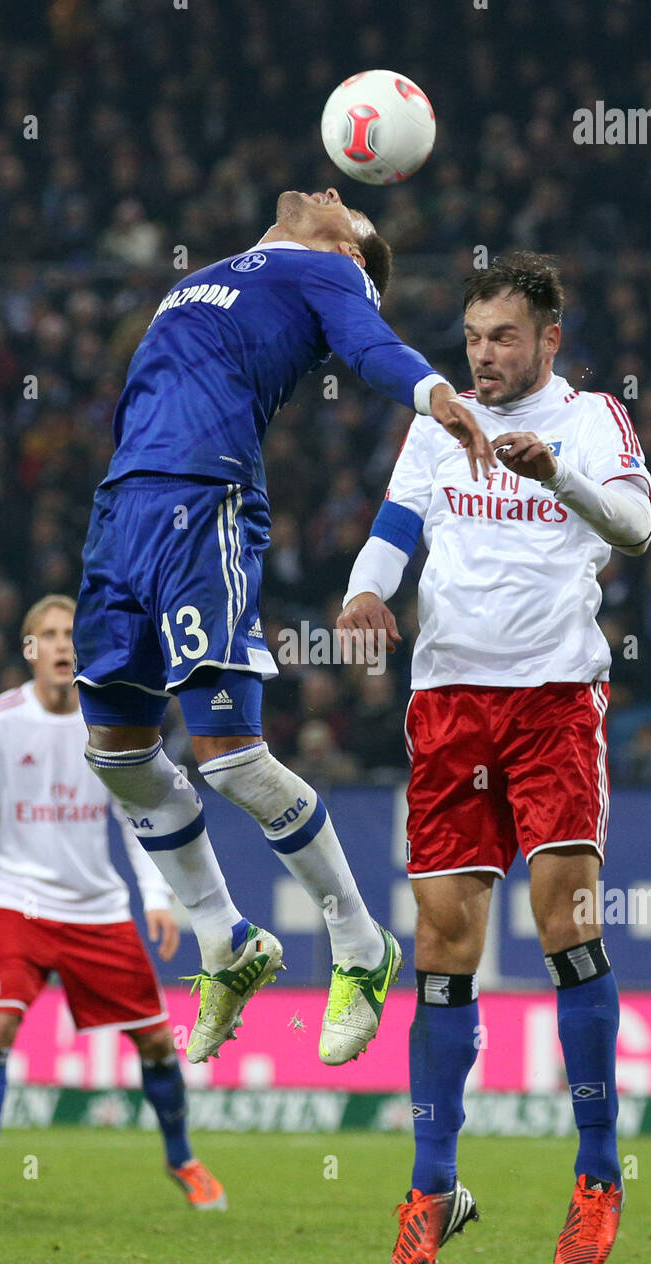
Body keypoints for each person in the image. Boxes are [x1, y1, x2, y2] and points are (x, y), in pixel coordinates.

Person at [72, 186, 496, 1068]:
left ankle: (357, 942)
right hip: (122, 508)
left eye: (351, 210)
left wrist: (433, 394)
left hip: (204, 499)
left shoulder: (327, 275)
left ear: (350, 253)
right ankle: (226, 939)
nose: (332, 189)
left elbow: (373, 348)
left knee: (228, 759)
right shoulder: (233, 268)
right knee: (115, 750)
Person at [338, 252, 651, 1264]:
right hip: (449, 703)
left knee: (567, 920)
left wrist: (551, 474)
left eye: (503, 337)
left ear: (547, 340)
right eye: (473, 337)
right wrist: (362, 592)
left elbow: (636, 529)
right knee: (442, 941)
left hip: (554, 698)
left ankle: (598, 1172)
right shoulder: (437, 420)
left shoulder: (592, 419)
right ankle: (433, 1186)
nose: (482, 355)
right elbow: (395, 525)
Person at [0, 595, 225, 1213]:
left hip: (98, 910)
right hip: (16, 904)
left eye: (71, 636)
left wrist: (156, 898)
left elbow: (137, 813)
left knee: (159, 1044)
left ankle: (182, 1158)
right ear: (30, 650)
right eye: (48, 635)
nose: (62, 645)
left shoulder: (111, 722)